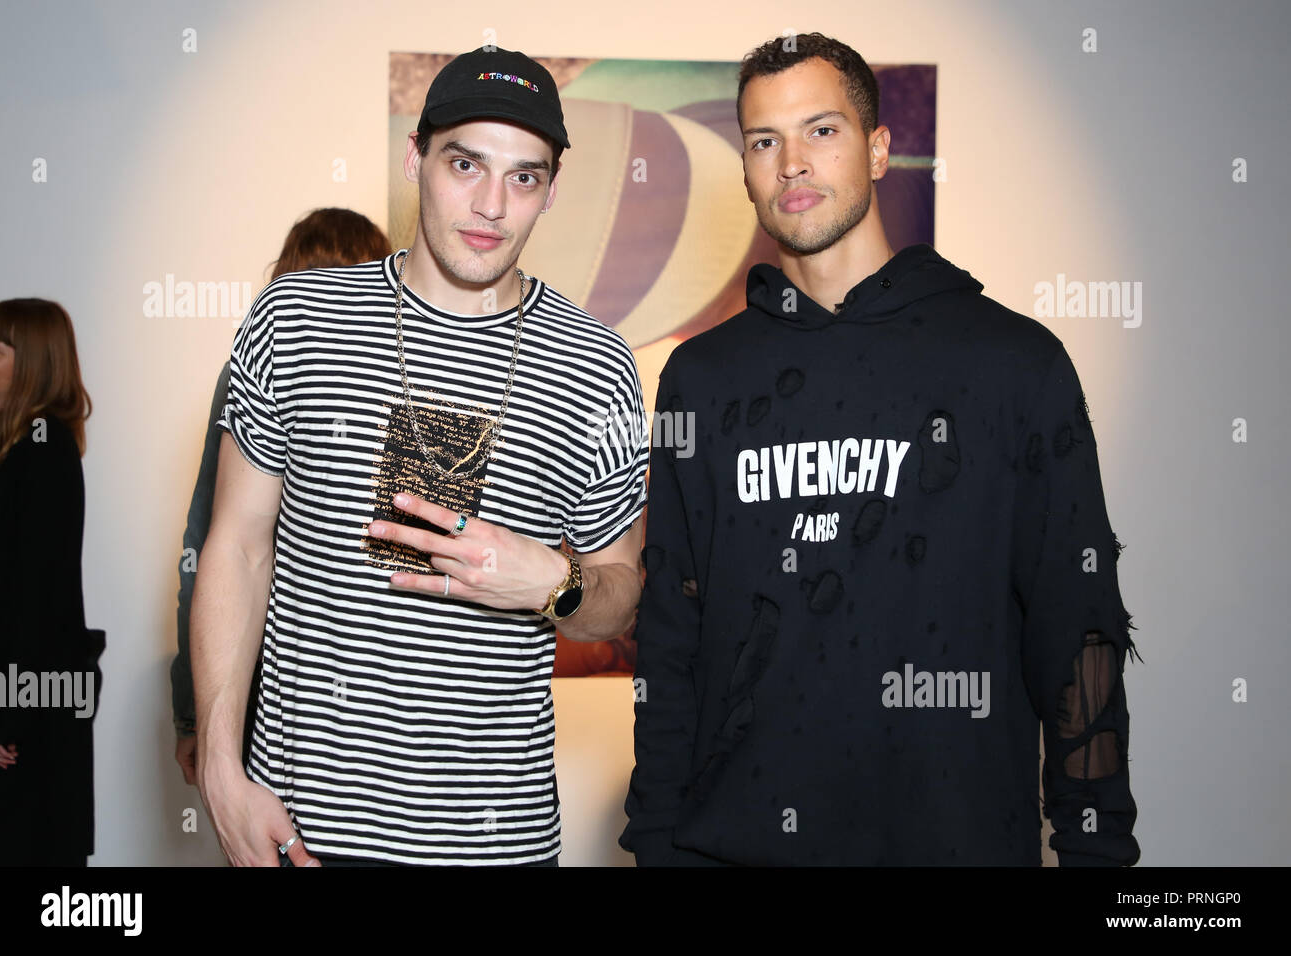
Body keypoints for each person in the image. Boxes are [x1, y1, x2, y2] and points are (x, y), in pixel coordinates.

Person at [620, 33, 1141, 866]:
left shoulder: (1011, 363)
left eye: (821, 130)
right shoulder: (703, 378)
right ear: (747, 168)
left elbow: (1076, 628)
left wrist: (1095, 845)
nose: (792, 162)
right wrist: (654, 844)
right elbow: (673, 634)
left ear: (879, 151)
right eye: (764, 140)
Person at [193, 47, 648, 867]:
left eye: (524, 177)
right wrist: (222, 771)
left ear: (552, 190)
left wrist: (555, 582)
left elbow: (619, 596)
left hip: (492, 841)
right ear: (415, 158)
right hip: (301, 833)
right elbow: (234, 544)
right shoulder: (295, 316)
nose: (489, 204)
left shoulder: (599, 364)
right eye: (465, 163)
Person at [170, 208, 391, 786]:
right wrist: (198, 715)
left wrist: (192, 714)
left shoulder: (408, 380)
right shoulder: (258, 368)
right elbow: (218, 545)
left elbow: (202, 545)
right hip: (280, 684)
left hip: (307, 687)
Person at [0, 298, 105, 866]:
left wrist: (4, 715)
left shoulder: (41, 448)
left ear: (32, 363)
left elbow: (33, 595)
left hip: (26, 716)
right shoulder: (20, 448)